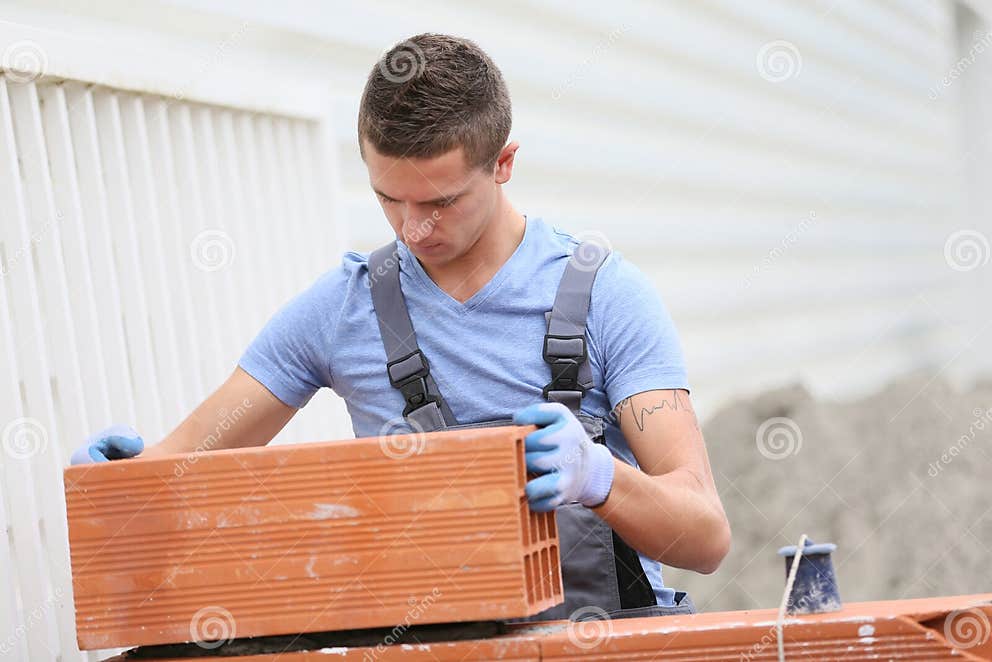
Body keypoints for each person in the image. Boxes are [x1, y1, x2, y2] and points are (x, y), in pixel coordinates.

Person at [73, 33, 730, 619]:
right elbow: (185, 459)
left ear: (503, 163)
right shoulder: (343, 308)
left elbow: (706, 537)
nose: (414, 228)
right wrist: (119, 480)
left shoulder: (606, 296)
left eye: (441, 201)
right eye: (389, 198)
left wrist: (601, 478)